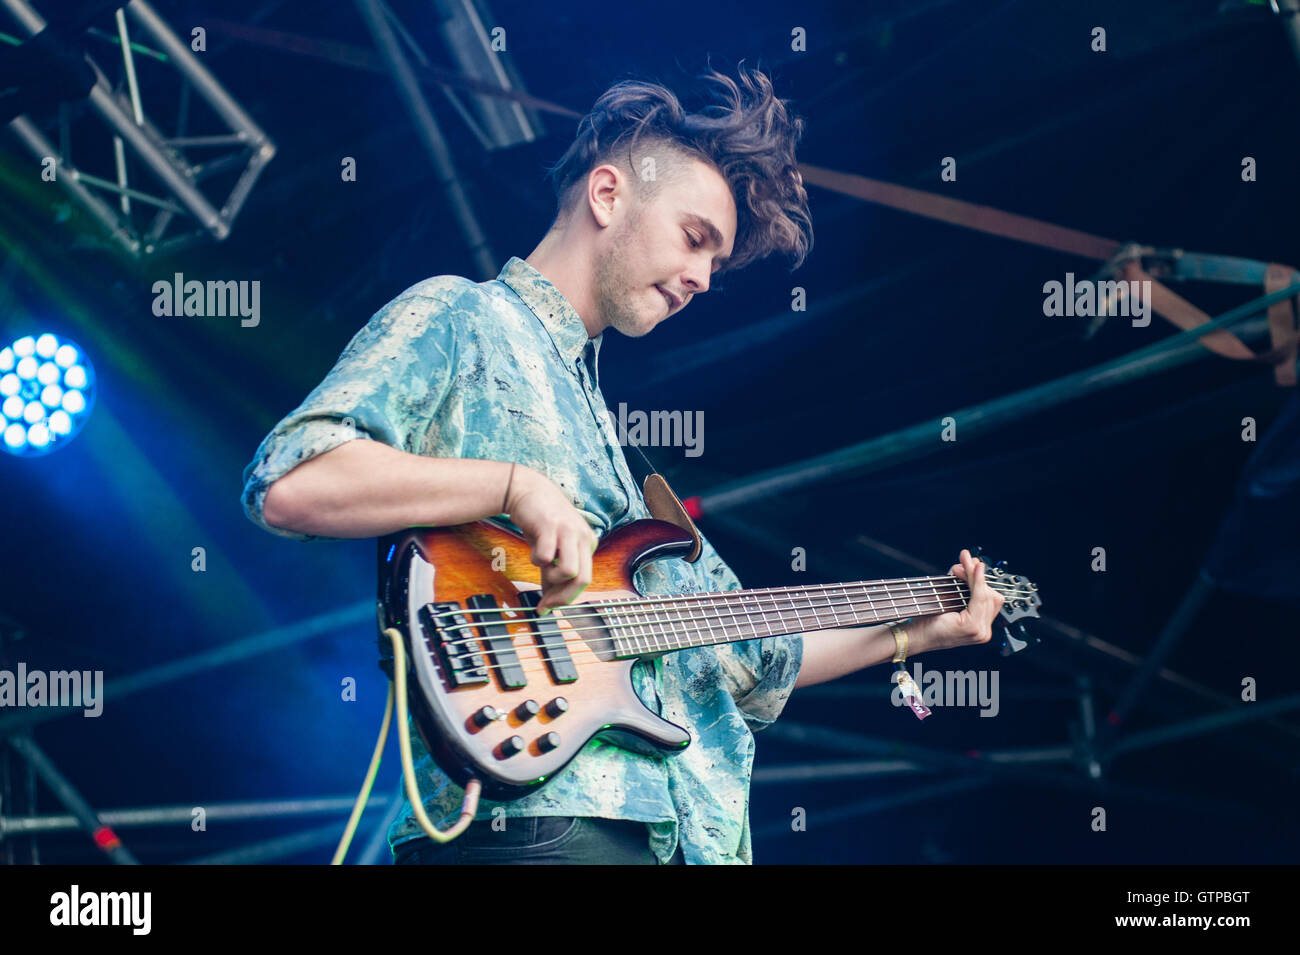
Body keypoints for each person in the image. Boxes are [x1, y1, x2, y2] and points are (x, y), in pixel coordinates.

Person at [240, 64, 1004, 865]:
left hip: (666, 838)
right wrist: (513, 485)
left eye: (716, 259)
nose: (704, 277)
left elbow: (751, 655)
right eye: (695, 237)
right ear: (608, 195)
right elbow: (292, 479)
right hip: (539, 820)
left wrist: (916, 631)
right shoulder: (465, 316)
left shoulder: (612, 440)